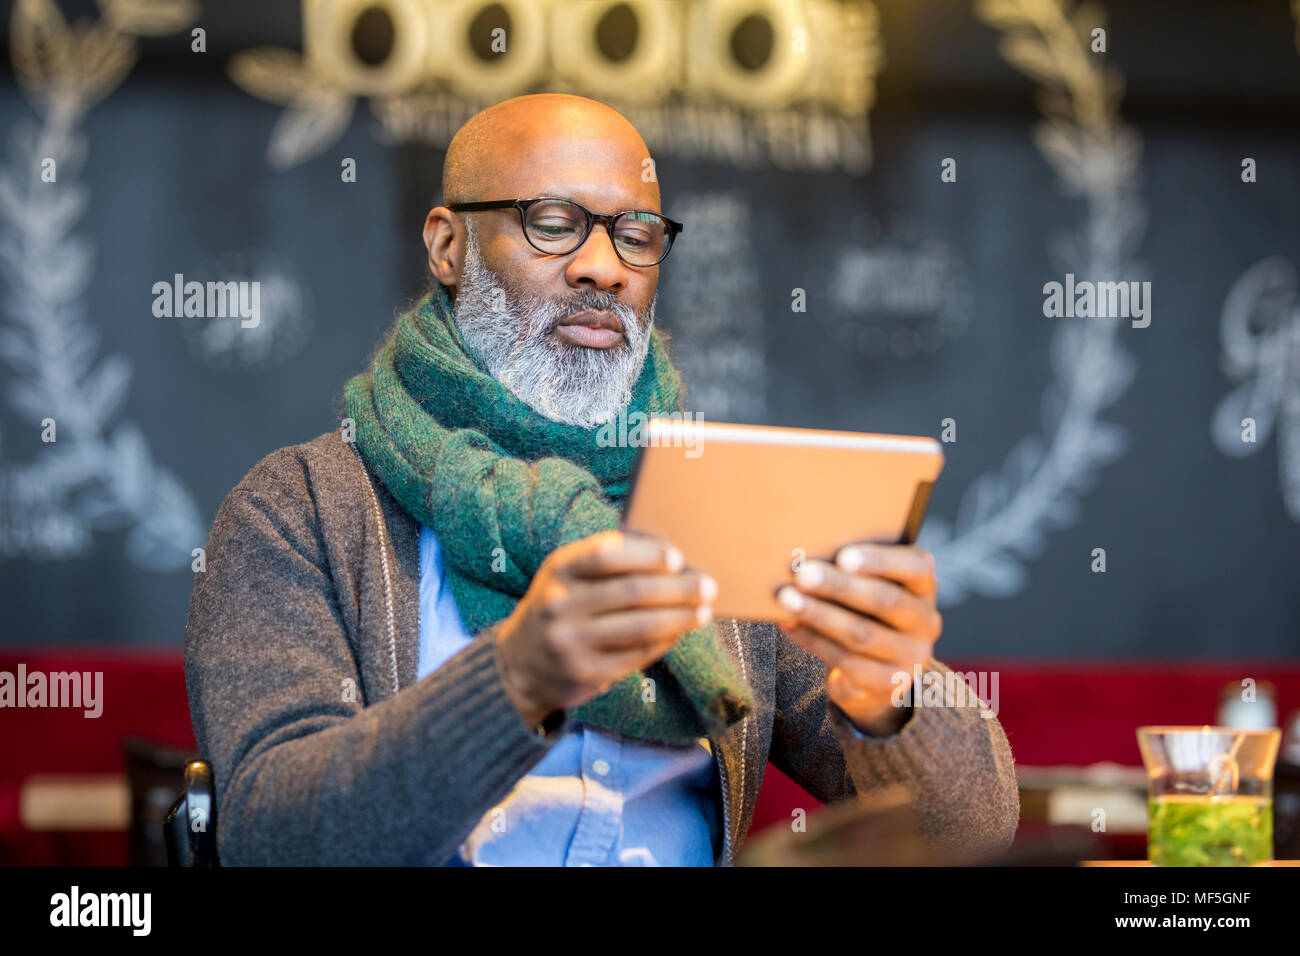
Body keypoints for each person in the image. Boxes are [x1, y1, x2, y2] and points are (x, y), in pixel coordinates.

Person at [184, 93, 1019, 866]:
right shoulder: (299, 509)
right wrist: (519, 678)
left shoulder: (713, 503)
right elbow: (273, 836)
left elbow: (971, 833)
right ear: (447, 244)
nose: (603, 268)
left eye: (637, 233)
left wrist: (888, 695)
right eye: (552, 222)